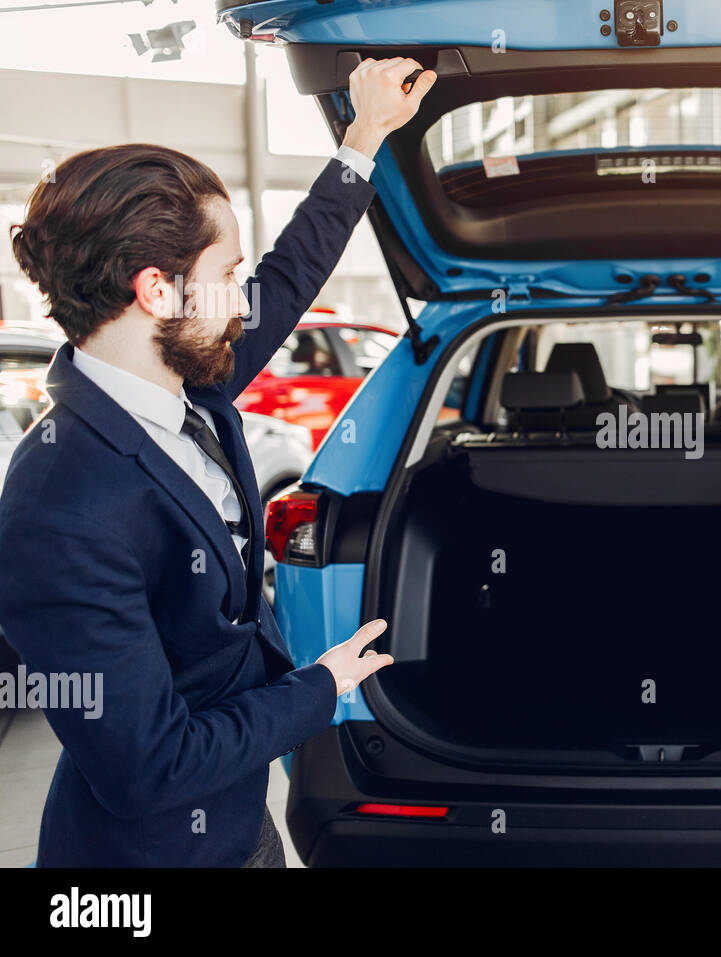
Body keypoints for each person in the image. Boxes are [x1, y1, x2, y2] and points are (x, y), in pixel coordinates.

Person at [0, 57, 437, 866]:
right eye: (227, 276)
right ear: (156, 290)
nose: (245, 299)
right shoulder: (58, 504)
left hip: (238, 819)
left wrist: (364, 137)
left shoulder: (188, 380)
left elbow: (291, 275)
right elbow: (150, 766)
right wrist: (321, 687)